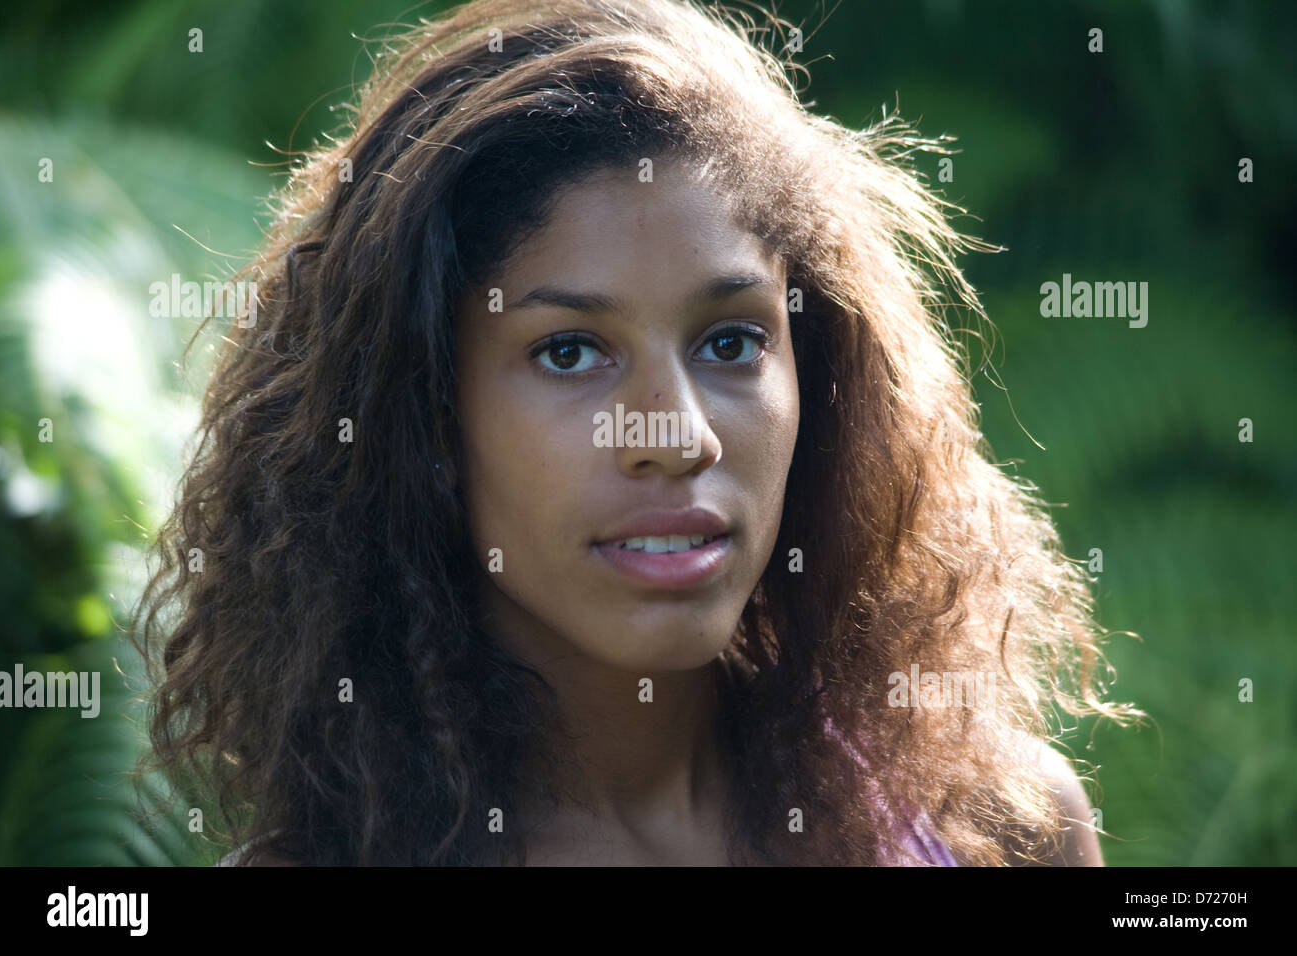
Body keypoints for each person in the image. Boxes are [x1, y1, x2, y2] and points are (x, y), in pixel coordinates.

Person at [133, 0, 1139, 866]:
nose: (677, 433)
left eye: (731, 340)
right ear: (425, 419)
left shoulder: (996, 830)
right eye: (570, 351)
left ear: (817, 374)